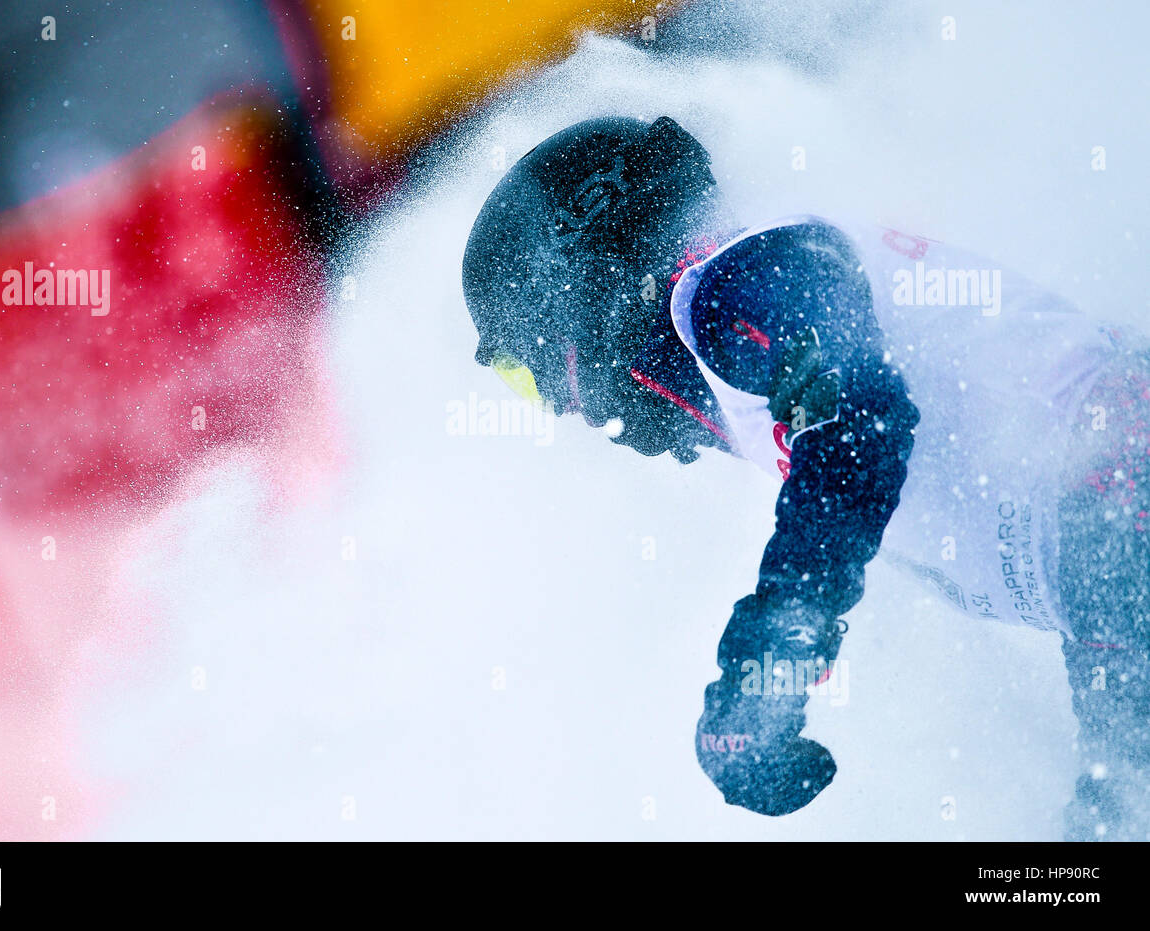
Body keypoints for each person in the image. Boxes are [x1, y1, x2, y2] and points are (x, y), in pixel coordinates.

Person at [460, 115, 1150, 839]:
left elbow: (860, 430)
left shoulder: (732, 281)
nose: (568, 410)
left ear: (571, 298)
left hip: (1117, 521)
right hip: (1108, 547)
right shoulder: (751, 293)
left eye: (527, 379)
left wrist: (768, 664)